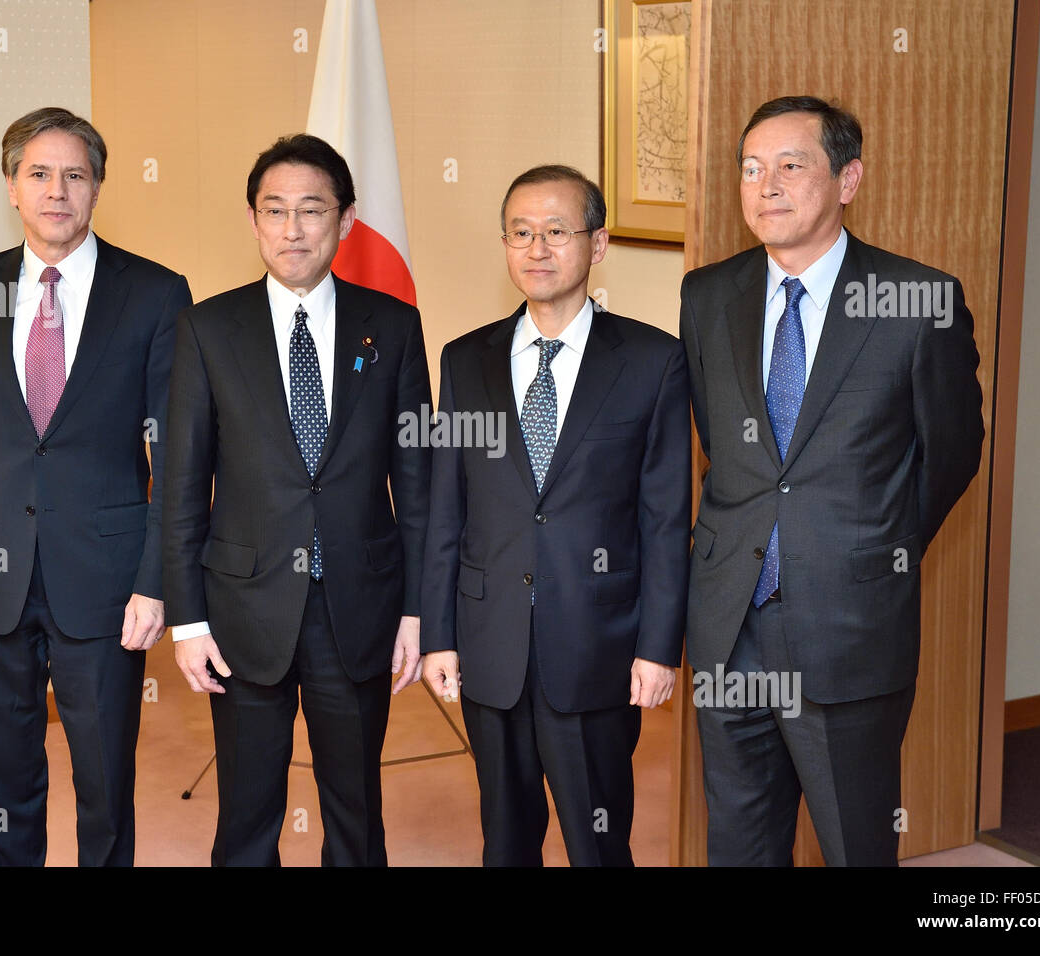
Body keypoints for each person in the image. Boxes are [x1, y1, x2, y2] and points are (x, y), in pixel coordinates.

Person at [679, 95, 984, 866]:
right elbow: (728, 450)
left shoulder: (918, 301)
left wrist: (873, 544)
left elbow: (948, 453)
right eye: (751, 168)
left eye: (791, 165)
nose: (766, 185)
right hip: (730, 622)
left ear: (848, 180)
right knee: (740, 842)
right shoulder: (708, 295)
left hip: (849, 626)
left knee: (855, 842)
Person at [0, 106, 192, 865]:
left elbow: (177, 457)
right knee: (2, 773)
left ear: (98, 187)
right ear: (12, 186)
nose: (57, 190)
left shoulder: (156, 294)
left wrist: (156, 580)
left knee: (104, 776)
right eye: (39, 173)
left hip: (106, 579)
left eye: (75, 174)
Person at [163, 133, 431, 867]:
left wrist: (417, 608)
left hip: (361, 604)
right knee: (247, 815)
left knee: (355, 811)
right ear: (252, 221)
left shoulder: (394, 327)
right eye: (274, 210)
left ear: (346, 220)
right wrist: (186, 620)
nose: (292, 229)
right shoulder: (208, 328)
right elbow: (183, 487)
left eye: (311, 211)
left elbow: (417, 481)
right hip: (242, 608)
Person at [421, 165, 692, 866]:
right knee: (505, 840)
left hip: (597, 645)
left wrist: (659, 647)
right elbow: (446, 509)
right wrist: (439, 635)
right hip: (489, 644)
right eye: (520, 232)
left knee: (598, 841)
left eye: (557, 231)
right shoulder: (466, 360)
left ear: (597, 244)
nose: (536, 248)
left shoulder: (652, 362)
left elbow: (664, 519)